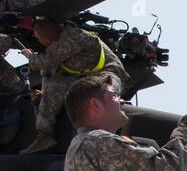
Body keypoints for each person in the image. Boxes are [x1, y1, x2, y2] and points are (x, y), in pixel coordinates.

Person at [19, 17, 126, 154]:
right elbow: (51, 75)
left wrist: (30, 56)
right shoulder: (59, 47)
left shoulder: (71, 37)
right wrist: (44, 95)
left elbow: (45, 62)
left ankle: (105, 138)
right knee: (53, 90)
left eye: (39, 38)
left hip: (108, 72)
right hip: (82, 76)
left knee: (102, 93)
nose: (38, 42)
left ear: (46, 38)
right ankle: (44, 136)